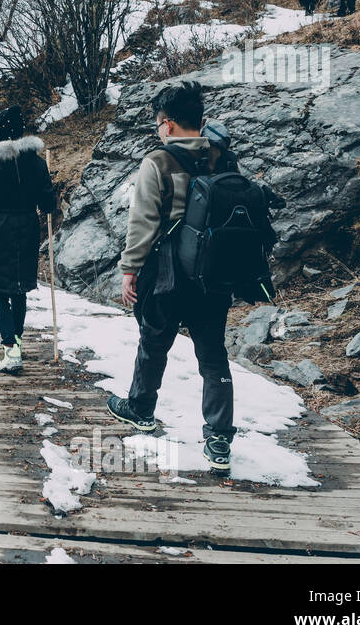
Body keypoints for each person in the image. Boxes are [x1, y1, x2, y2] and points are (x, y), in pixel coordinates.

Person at [107, 80, 268, 476]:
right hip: (214, 276)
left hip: (168, 275)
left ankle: (141, 408)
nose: (159, 129)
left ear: (171, 124)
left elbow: (142, 221)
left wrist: (130, 270)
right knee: (213, 357)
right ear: (201, 120)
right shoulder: (224, 158)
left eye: (160, 123)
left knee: (153, 341)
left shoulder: (158, 161)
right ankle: (218, 438)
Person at [0, 106, 56, 374]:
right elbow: (48, 203)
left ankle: (11, 349)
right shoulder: (37, 163)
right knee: (19, 288)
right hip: (27, 227)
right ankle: (15, 340)